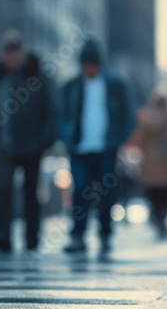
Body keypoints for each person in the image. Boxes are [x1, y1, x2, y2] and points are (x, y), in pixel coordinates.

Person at [58, 38, 135, 254]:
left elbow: (128, 115)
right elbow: (61, 115)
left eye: (93, 64)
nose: (90, 69)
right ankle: (78, 236)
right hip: (79, 149)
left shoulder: (115, 85)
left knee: (106, 193)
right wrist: (66, 137)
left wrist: (117, 139)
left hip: (106, 150)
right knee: (80, 191)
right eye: (86, 64)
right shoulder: (71, 87)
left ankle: (105, 233)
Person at [0, 30, 57, 252]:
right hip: (5, 146)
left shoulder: (37, 75)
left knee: (30, 193)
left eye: (15, 50)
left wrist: (45, 139)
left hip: (32, 146)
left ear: (22, 51)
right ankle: (3, 235)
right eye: (7, 50)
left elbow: (51, 109)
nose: (11, 55)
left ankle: (32, 238)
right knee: (3, 191)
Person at [133, 92, 167, 238]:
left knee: (154, 193)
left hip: (151, 162)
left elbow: (140, 139)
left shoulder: (145, 117)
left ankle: (158, 217)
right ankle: (161, 218)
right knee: (164, 194)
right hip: (165, 162)